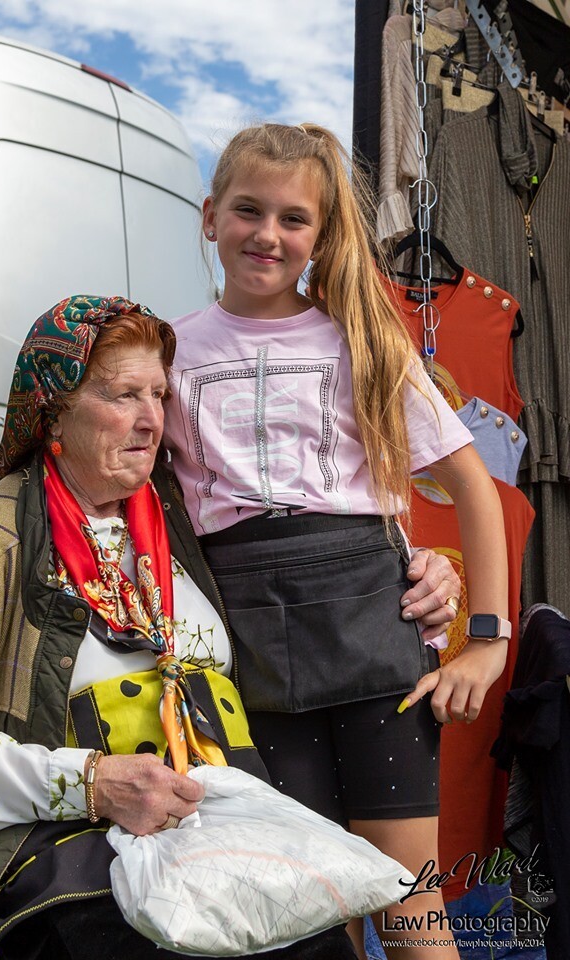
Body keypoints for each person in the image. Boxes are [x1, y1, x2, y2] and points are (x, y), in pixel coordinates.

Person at [0, 296, 360, 960]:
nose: (152, 419)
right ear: (53, 413)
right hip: (62, 853)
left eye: (159, 394)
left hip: (221, 828)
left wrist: (434, 571)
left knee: (314, 943)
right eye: (124, 395)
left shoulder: (180, 520)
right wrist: (96, 784)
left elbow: (318, 534)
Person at [162, 123, 509, 960]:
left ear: (319, 237)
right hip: (247, 650)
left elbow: (472, 485)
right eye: (248, 210)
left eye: (293, 219)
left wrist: (489, 642)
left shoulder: (363, 341)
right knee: (310, 915)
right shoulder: (169, 351)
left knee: (410, 912)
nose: (267, 235)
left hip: (373, 643)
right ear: (210, 217)